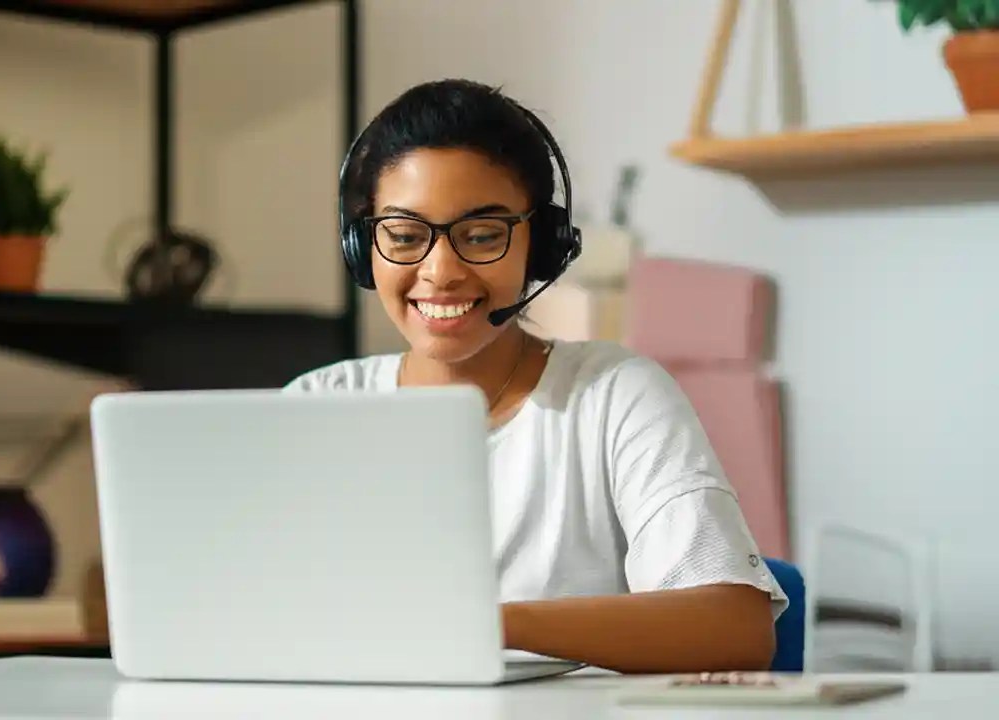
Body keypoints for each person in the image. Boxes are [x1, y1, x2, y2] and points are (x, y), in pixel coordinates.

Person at [285, 78, 787, 674]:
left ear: (542, 246)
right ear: (362, 245)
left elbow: (734, 626)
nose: (440, 271)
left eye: (482, 235)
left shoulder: (613, 396)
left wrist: (481, 624)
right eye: (405, 236)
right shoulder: (314, 408)